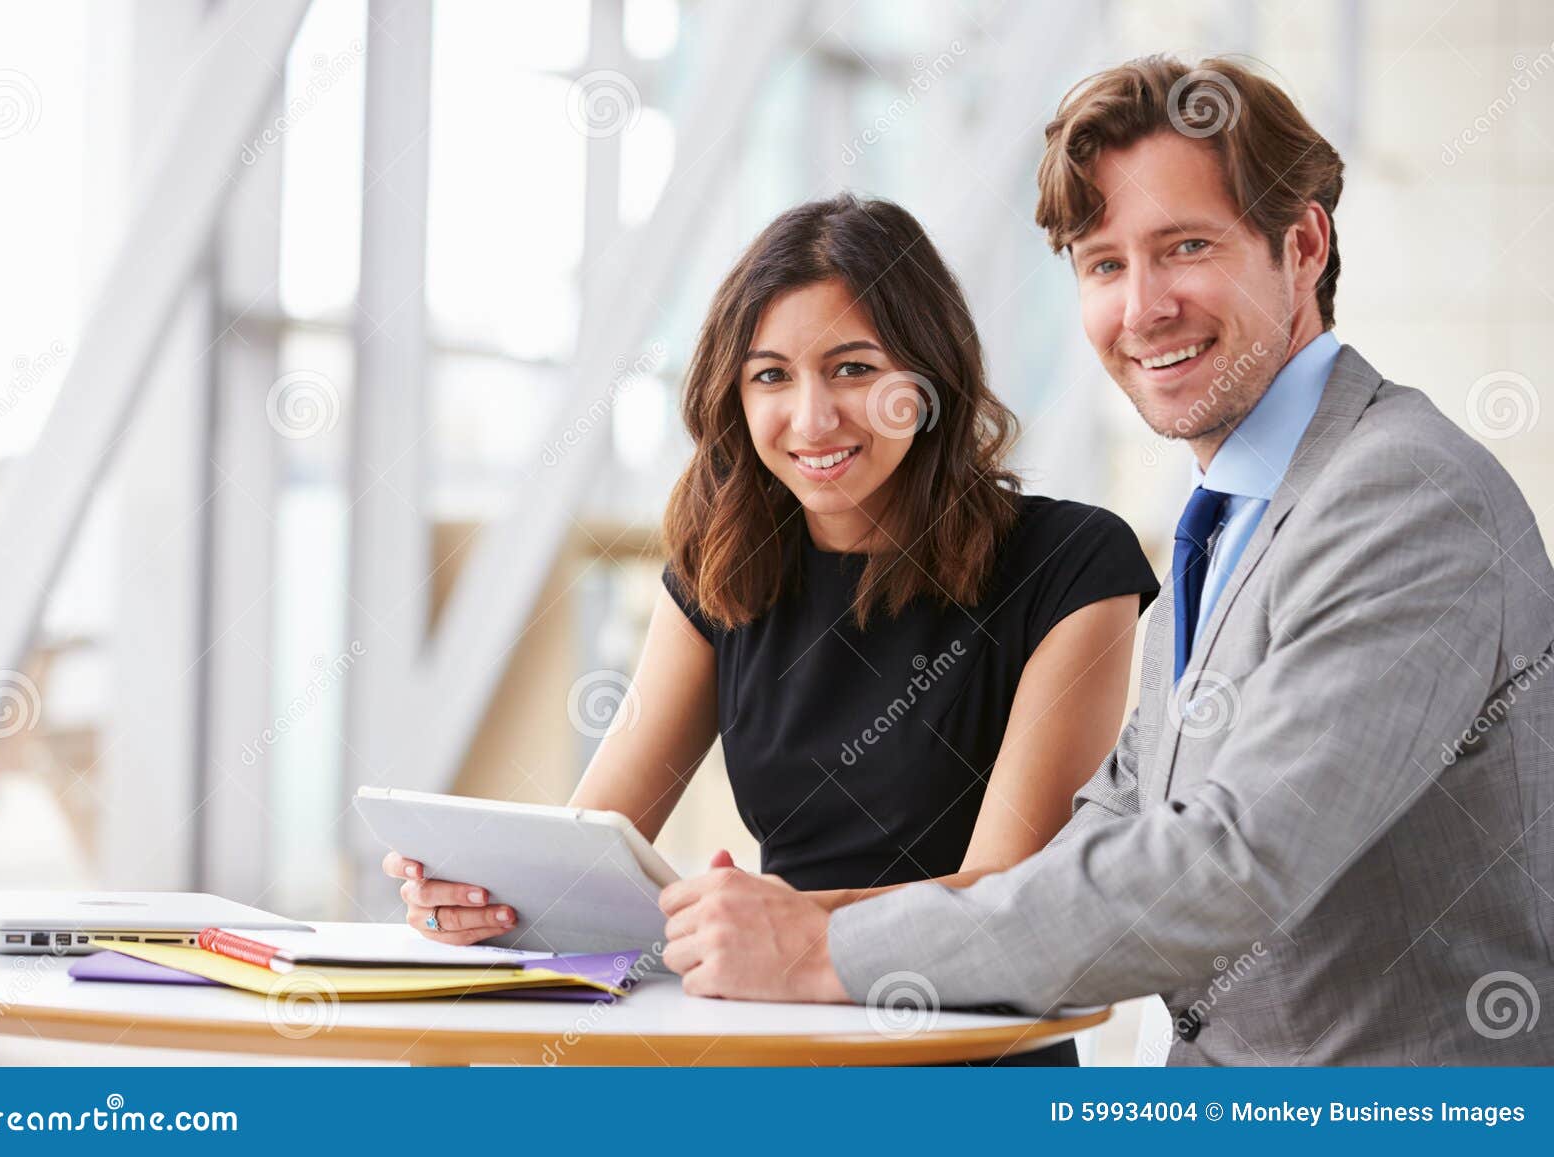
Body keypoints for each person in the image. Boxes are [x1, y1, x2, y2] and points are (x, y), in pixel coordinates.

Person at [657, 55, 1554, 1066]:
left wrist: (824, 947)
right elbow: (1110, 837)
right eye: (1103, 264)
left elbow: (1231, 865)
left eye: (1184, 246)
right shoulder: (1229, 511)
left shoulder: (1402, 496)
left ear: (1301, 246)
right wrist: (771, 922)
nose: (1142, 309)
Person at [383, 194, 1160, 1065]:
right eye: (771, 376)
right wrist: (494, 898)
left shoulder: (1071, 563)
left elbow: (1011, 902)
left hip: (962, 1061)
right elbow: (595, 846)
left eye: (855, 368)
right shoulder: (726, 570)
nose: (812, 418)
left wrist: (780, 926)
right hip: (775, 1043)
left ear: (929, 380)